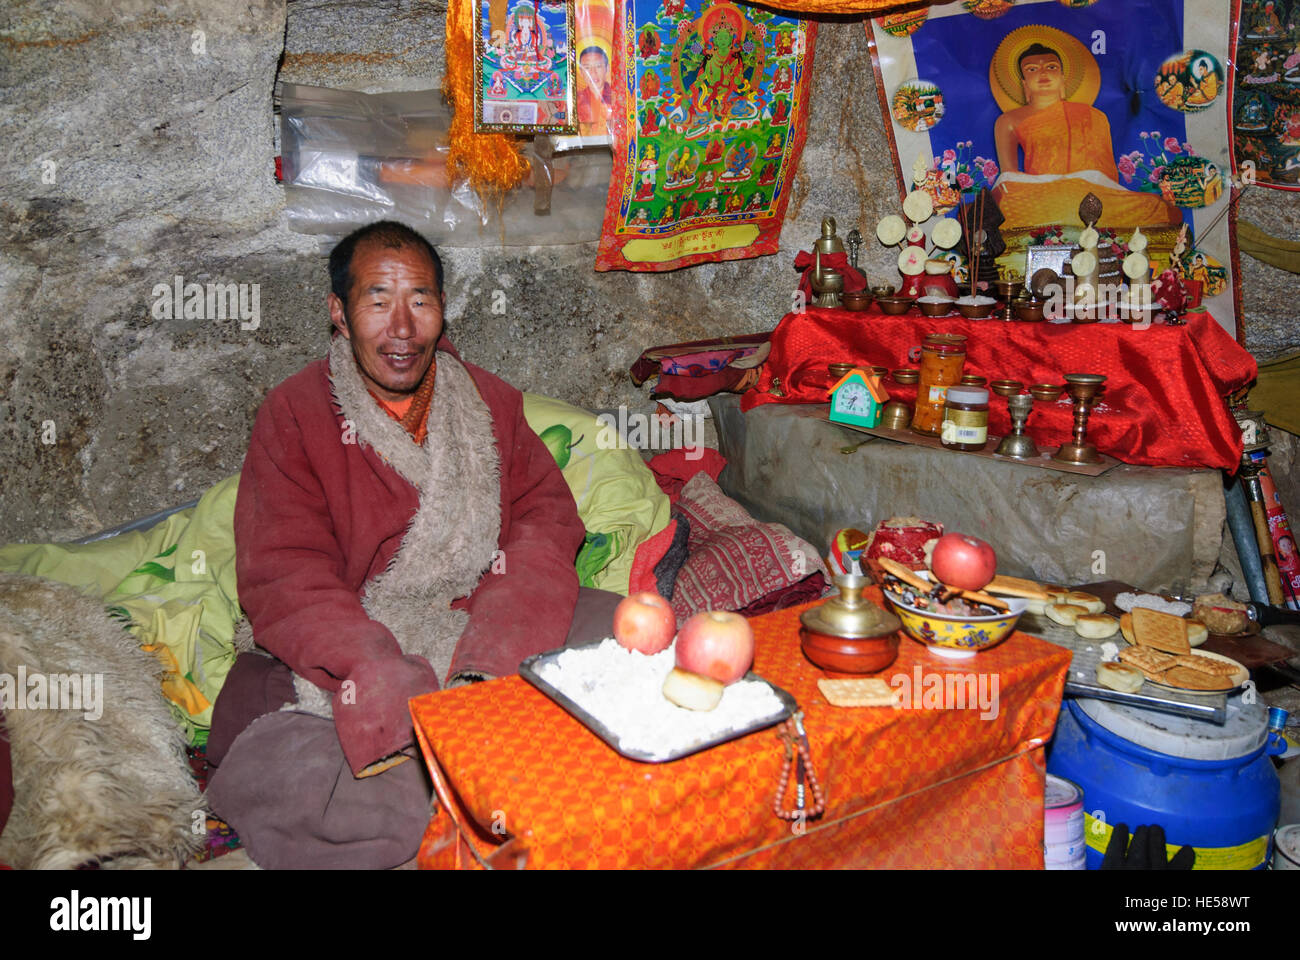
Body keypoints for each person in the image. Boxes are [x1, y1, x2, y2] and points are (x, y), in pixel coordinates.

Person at [205, 221, 619, 869]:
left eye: (420, 301)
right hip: (355, 640)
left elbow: (544, 522)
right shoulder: (294, 416)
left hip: (476, 616)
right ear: (338, 313)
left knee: (629, 642)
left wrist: (494, 653)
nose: (402, 327)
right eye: (377, 300)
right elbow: (286, 576)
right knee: (368, 814)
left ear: (442, 309)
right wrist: (379, 672)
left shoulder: (488, 402)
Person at [991, 41, 1182, 229]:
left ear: (1063, 77)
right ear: (1024, 82)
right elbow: (1009, 177)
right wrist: (1058, 186)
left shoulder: (1094, 116)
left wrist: (1082, 186)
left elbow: (1105, 176)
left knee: (1155, 206)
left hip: (1090, 192)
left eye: (1051, 67)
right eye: (1032, 69)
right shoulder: (1008, 121)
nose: (1043, 73)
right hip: (1042, 195)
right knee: (1005, 202)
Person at [575, 44, 612, 136]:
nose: (593, 73)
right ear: (581, 72)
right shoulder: (576, 100)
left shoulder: (618, 97)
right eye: (587, 68)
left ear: (607, 68)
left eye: (598, 66)